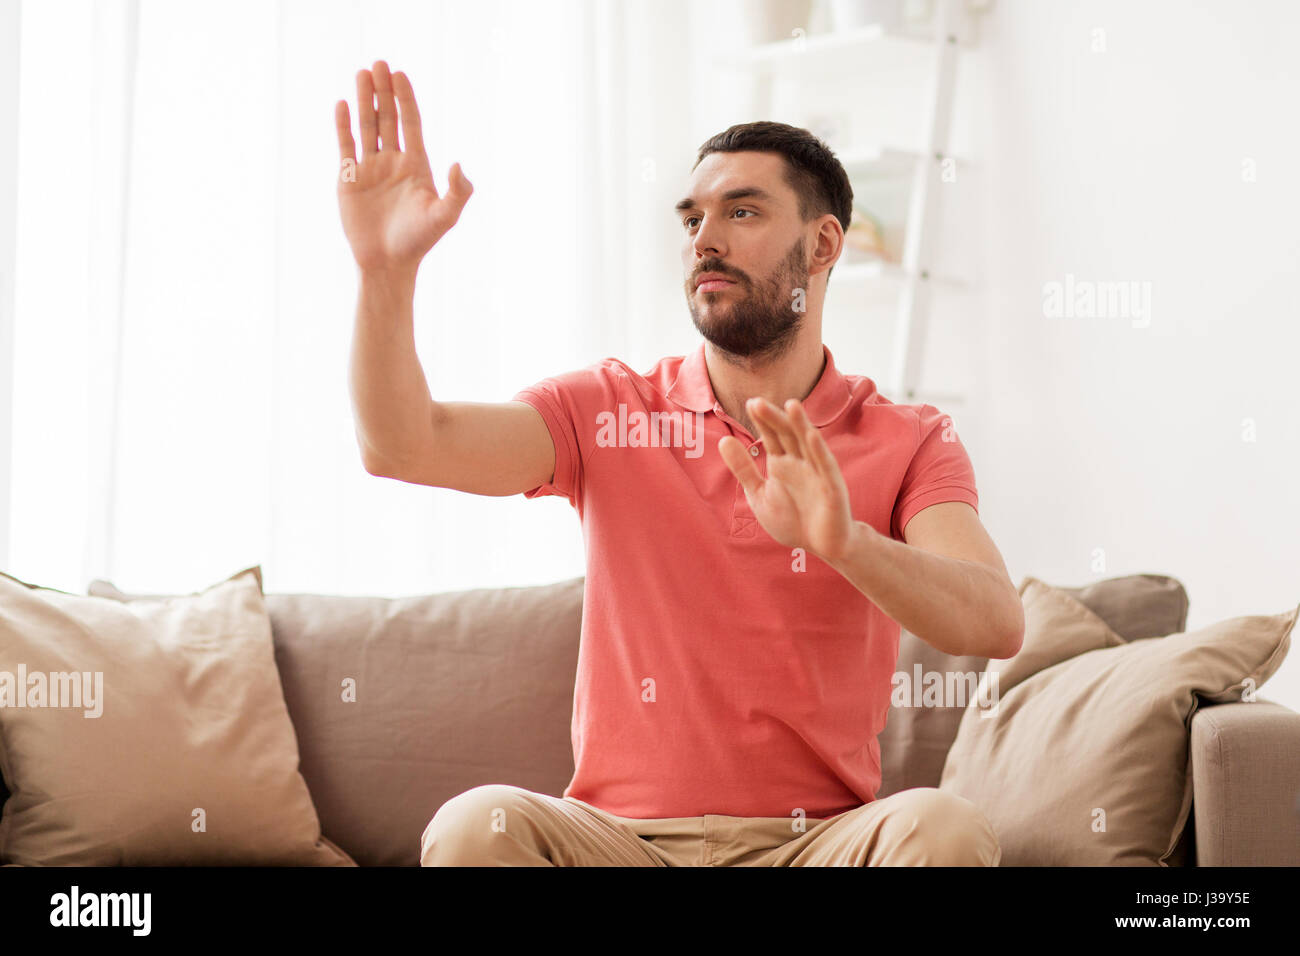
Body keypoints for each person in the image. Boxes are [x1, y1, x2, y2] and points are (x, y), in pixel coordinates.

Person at [336, 59, 1021, 867]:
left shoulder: (908, 436)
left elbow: (996, 622)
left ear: (824, 241)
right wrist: (385, 273)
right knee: (475, 825)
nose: (706, 238)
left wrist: (846, 543)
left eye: (742, 211)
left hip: (814, 847)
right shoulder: (604, 408)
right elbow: (402, 443)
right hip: (620, 846)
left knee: (943, 829)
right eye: (692, 217)